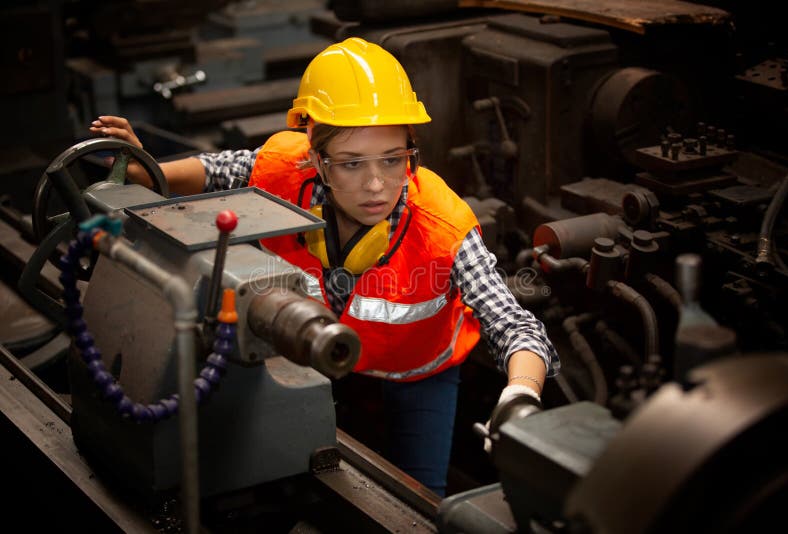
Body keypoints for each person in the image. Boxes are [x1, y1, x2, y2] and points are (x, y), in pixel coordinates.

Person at [90, 37, 558, 497]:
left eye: (394, 160)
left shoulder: (444, 227)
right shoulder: (285, 171)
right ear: (316, 158)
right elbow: (219, 169)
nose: (376, 184)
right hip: (322, 358)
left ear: (411, 153)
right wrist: (146, 171)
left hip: (420, 376)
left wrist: (520, 391)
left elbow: (512, 322)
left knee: (421, 497)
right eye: (351, 164)